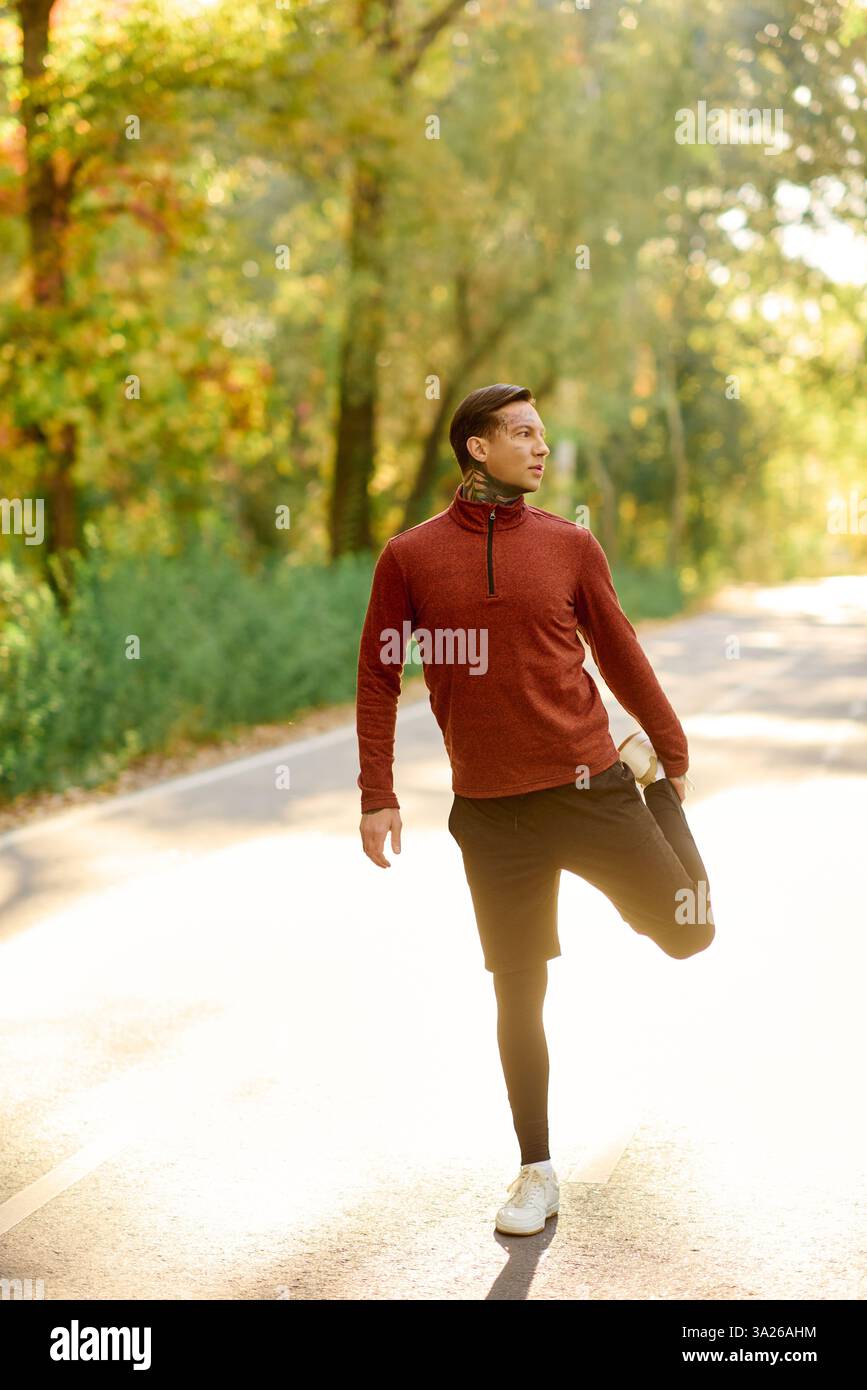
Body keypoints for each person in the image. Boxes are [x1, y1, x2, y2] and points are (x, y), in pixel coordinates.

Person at [356, 383, 716, 1236]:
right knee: (519, 993)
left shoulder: (568, 546)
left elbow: (619, 652)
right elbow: (377, 676)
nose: (539, 448)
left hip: (589, 789)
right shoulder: (408, 557)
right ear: (475, 448)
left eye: (542, 435)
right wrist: (377, 794)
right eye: (521, 434)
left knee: (689, 929)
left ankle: (654, 801)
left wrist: (669, 753)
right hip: (489, 816)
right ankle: (535, 1170)